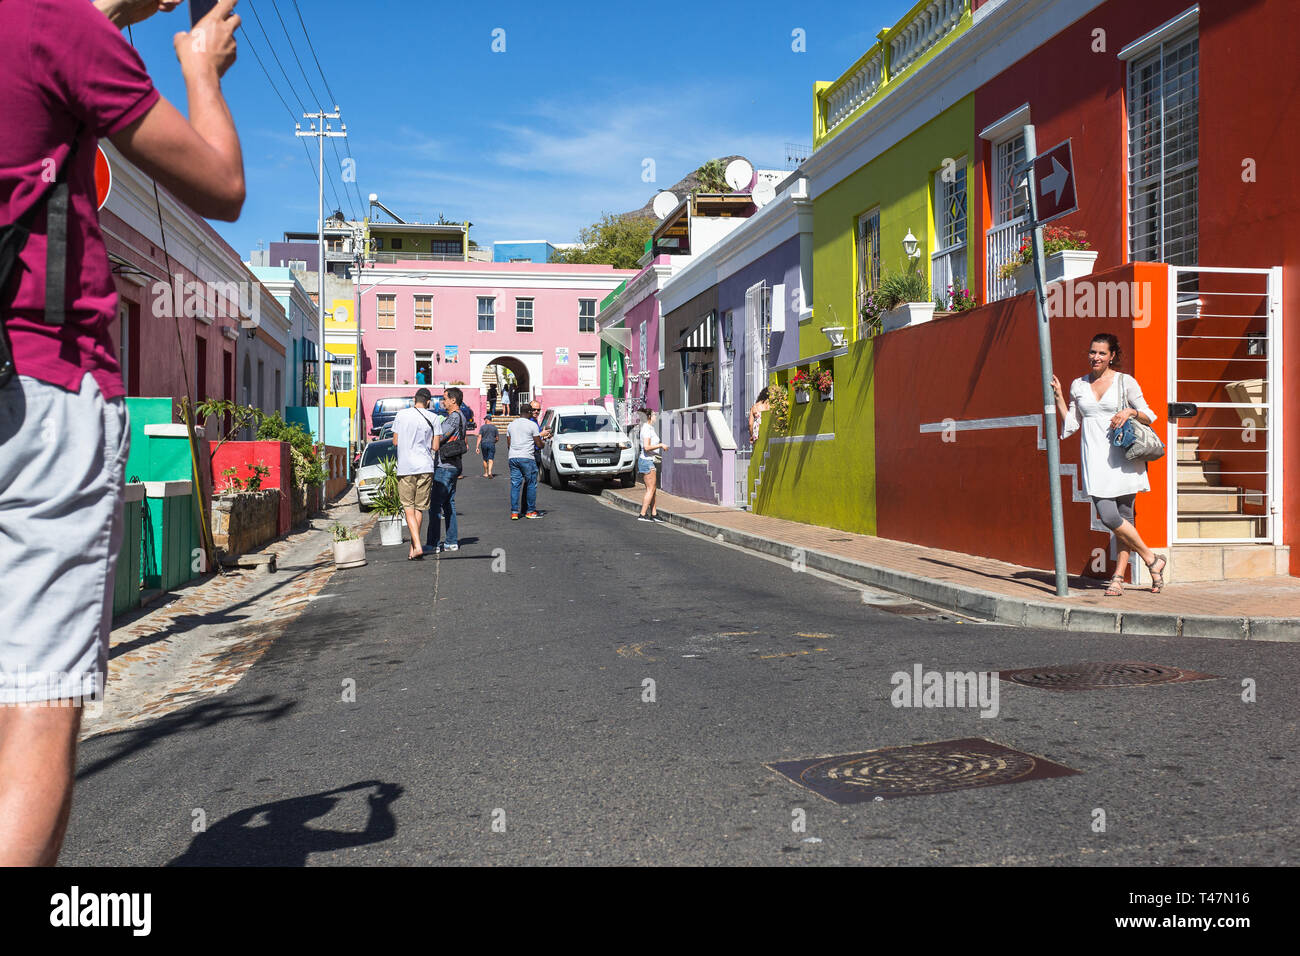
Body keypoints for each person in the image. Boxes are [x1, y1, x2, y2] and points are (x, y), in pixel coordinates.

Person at [0, 0, 245, 866]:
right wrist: (200, 71)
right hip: (39, 389)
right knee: (34, 698)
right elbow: (223, 185)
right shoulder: (57, 26)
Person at [1052, 332, 1166, 595]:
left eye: (1102, 353)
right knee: (1109, 516)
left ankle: (1117, 577)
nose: (1096, 357)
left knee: (1124, 518)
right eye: (1093, 352)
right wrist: (1059, 397)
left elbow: (1150, 415)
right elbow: (1072, 424)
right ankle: (1152, 559)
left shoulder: (1125, 382)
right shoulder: (1078, 385)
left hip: (1124, 458)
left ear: (1112, 356)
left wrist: (1130, 411)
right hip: (1094, 459)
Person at [391, 389, 437, 560]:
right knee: (419, 509)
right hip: (425, 467)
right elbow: (436, 446)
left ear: (413, 399)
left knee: (408, 508)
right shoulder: (433, 417)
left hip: (406, 467)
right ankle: (414, 548)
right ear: (428, 402)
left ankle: (417, 546)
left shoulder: (401, 415)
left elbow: (395, 441)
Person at [426, 386, 466, 553]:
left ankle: (433, 543)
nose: (443, 402)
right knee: (449, 504)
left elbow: (440, 437)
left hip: (445, 465)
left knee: (435, 505)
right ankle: (451, 541)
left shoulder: (454, 417)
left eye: (445, 398)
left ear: (453, 400)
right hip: (454, 464)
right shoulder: (460, 416)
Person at [507, 402, 550, 519]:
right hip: (527, 457)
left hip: (513, 457)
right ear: (529, 412)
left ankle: (514, 512)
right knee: (531, 483)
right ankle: (530, 511)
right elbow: (538, 444)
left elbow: (509, 443)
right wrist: (544, 442)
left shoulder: (511, 425)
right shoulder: (532, 425)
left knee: (515, 485)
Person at [636, 408, 668, 522]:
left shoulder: (649, 428)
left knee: (653, 489)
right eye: (654, 414)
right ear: (649, 416)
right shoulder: (646, 429)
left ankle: (654, 514)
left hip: (649, 460)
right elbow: (646, 447)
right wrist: (660, 445)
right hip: (646, 461)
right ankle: (642, 514)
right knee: (650, 489)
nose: (655, 416)